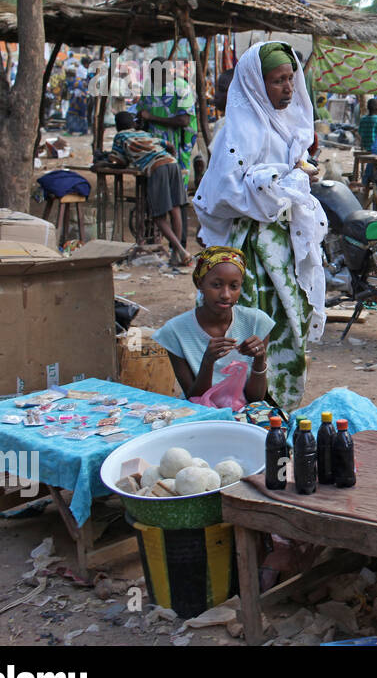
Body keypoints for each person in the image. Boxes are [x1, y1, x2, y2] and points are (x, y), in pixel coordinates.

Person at [192, 41, 326, 410]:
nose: (287, 88)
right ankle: (245, 403)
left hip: (286, 243)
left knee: (289, 321)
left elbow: (293, 175)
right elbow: (224, 191)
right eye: (277, 80)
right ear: (255, 83)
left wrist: (295, 180)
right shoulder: (238, 133)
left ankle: (280, 403)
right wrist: (280, 183)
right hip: (250, 249)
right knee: (251, 323)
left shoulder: (291, 127)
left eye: (290, 79)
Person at [155, 247, 274, 408]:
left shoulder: (256, 322)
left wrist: (260, 360)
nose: (226, 294)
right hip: (201, 415)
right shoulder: (175, 331)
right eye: (216, 285)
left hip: (243, 415)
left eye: (234, 286)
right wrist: (207, 362)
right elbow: (194, 398)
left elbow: (255, 398)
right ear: (200, 284)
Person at [108, 112, 194, 266]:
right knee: (175, 209)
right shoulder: (143, 133)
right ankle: (175, 255)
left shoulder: (120, 137)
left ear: (117, 125)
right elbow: (169, 145)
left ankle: (181, 251)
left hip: (156, 168)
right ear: (133, 124)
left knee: (158, 217)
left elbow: (117, 160)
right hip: (172, 164)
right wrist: (170, 158)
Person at [139, 58, 198, 195]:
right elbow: (141, 111)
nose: (153, 79)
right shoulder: (150, 87)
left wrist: (151, 118)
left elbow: (184, 121)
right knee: (156, 190)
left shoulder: (181, 87)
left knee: (176, 190)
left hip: (177, 146)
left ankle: (177, 215)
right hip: (154, 147)